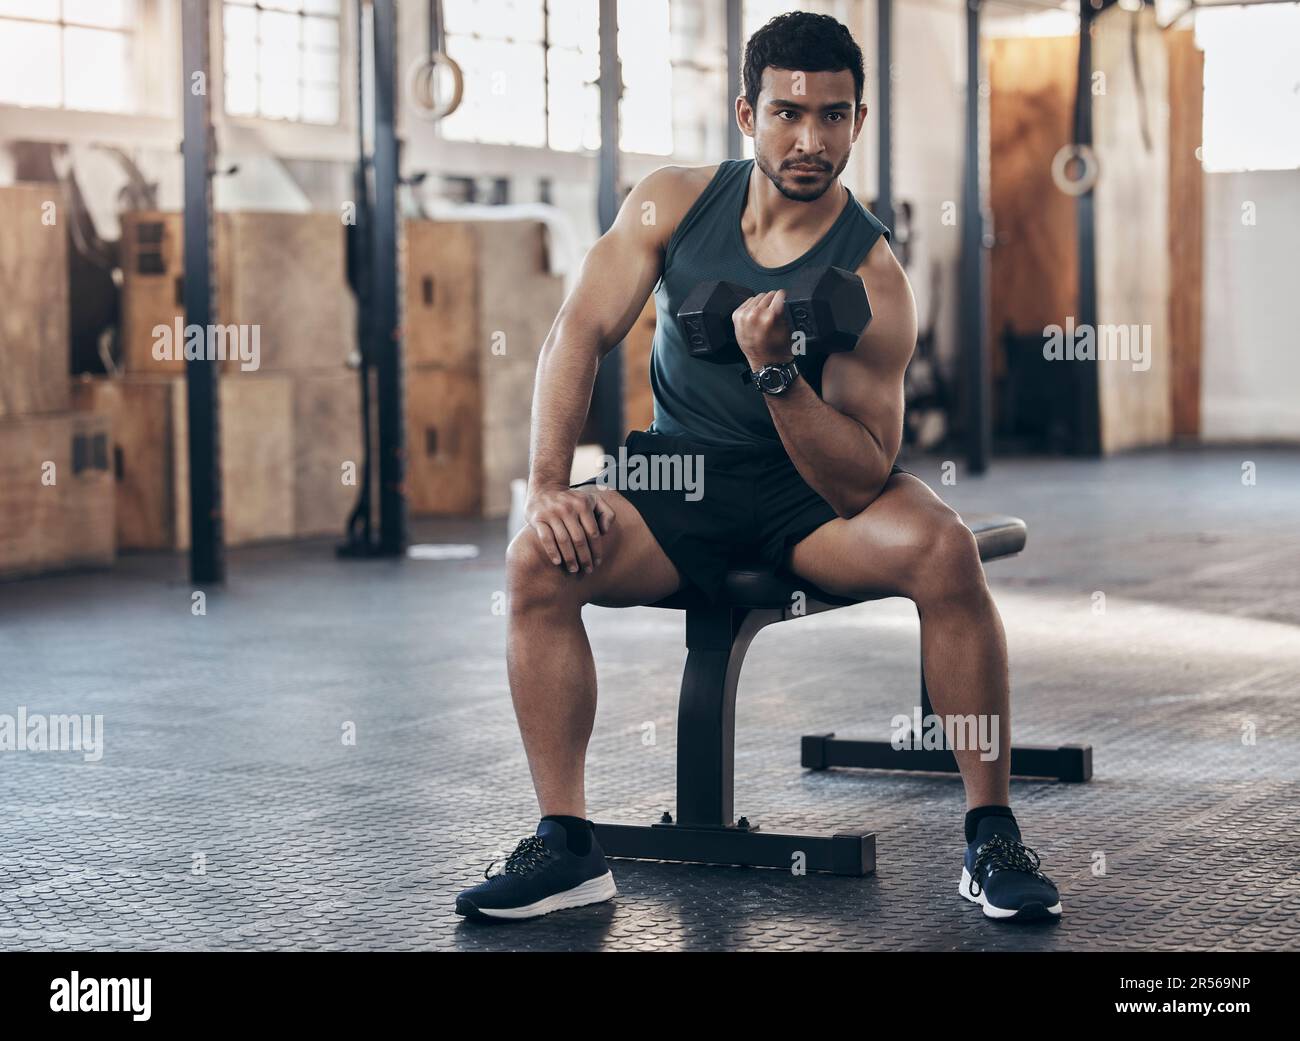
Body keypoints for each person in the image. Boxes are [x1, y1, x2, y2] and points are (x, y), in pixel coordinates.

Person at [457, 11, 1060, 924]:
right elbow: (576, 330)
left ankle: (991, 834)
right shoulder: (671, 203)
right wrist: (547, 484)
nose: (809, 139)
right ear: (747, 112)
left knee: (943, 551)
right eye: (787, 112)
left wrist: (776, 375)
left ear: (859, 123)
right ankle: (568, 844)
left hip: (809, 498)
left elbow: (859, 478)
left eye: (832, 116)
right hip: (675, 483)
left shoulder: (873, 278)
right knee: (535, 560)